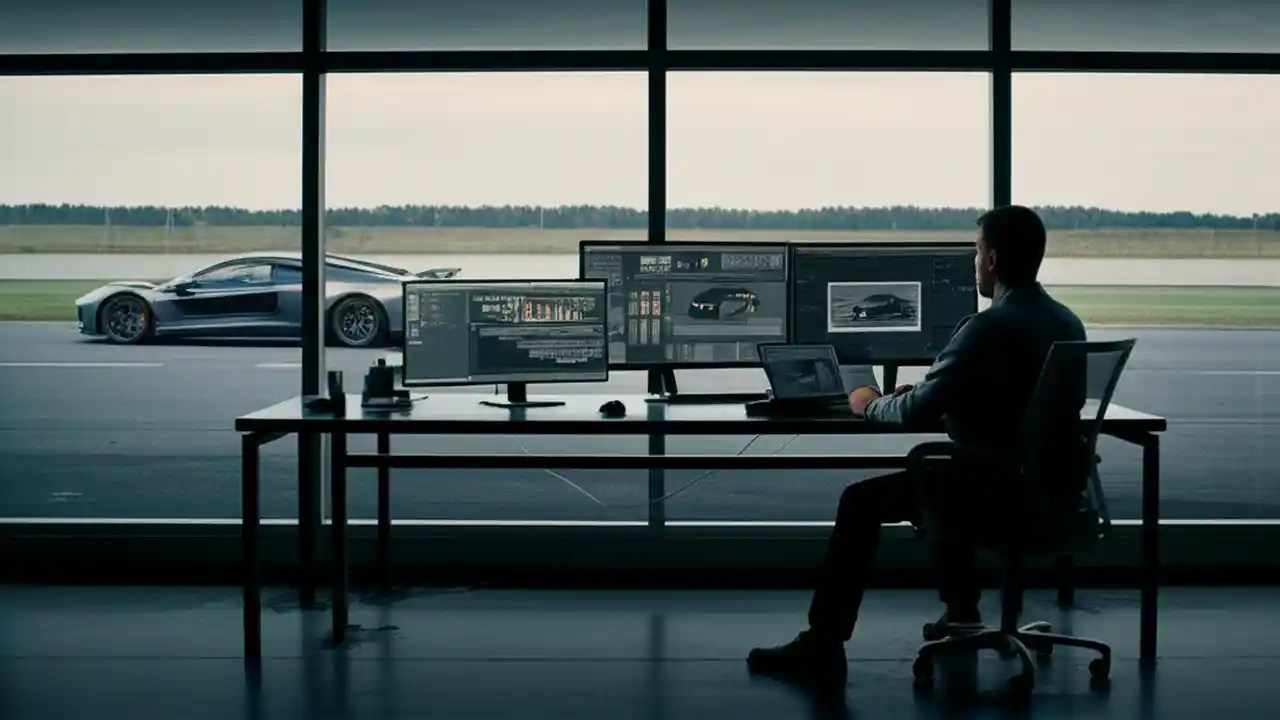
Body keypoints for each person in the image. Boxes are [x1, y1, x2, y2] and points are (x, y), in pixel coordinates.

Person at [746, 205, 1087, 687]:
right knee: (951, 476)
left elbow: (911, 415)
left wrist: (869, 403)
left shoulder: (988, 326)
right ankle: (962, 614)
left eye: (976, 253)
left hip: (995, 490)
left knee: (865, 499)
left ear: (991, 259)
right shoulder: (1066, 323)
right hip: (1049, 491)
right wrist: (939, 399)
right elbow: (1013, 410)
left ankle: (822, 644)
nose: (975, 263)